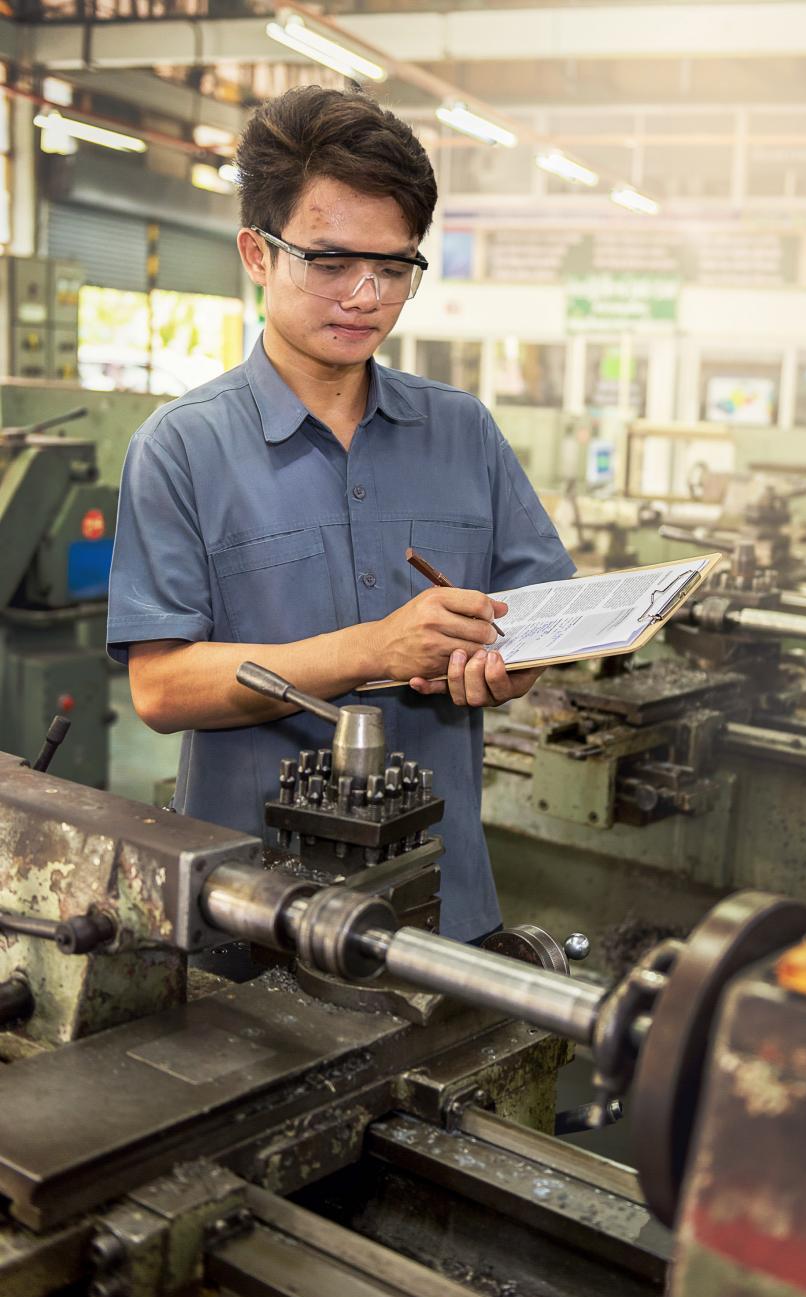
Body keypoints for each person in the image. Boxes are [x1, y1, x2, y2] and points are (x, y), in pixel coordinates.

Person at [107, 87, 575, 944]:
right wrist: (373, 649)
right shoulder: (181, 449)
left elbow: (540, 620)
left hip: (443, 904)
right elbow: (161, 685)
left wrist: (509, 668)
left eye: (393, 269)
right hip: (252, 910)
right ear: (258, 251)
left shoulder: (462, 431)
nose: (364, 294)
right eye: (329, 263)